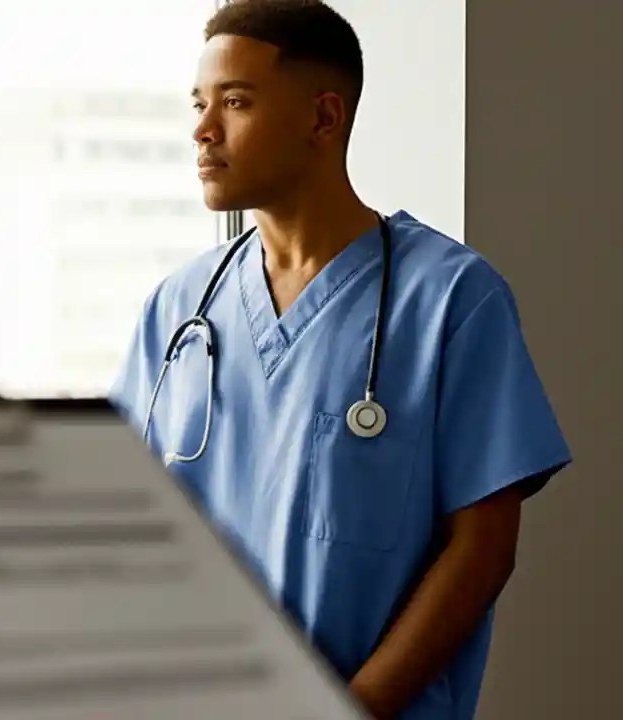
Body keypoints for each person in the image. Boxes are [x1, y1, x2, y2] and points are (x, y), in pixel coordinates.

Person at [108, 1, 572, 718]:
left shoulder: (451, 299)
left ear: (324, 119)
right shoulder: (177, 311)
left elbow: (482, 552)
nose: (202, 131)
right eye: (199, 105)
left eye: (235, 102)